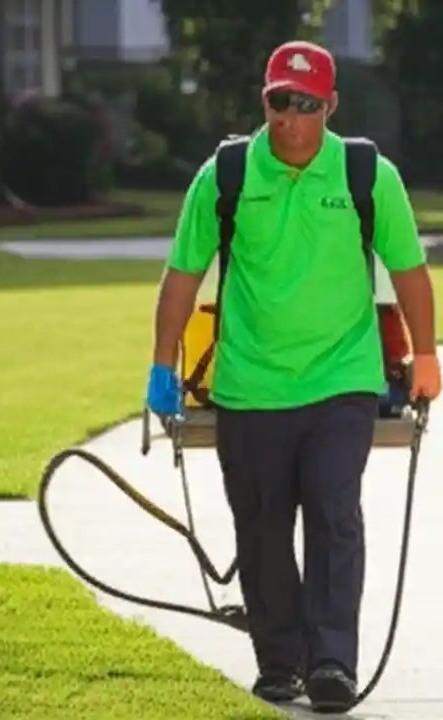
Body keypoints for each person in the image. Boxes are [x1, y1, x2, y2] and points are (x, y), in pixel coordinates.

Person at [147, 40, 439, 713]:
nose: (290, 117)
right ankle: (280, 663)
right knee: (263, 526)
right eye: (280, 101)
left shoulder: (368, 174)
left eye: (306, 104)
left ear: (330, 106)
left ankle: (332, 663)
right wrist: (161, 368)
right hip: (250, 385)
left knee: (334, 510)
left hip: (343, 378)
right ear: (265, 101)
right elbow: (183, 276)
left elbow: (408, 271)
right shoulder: (225, 175)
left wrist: (426, 356)